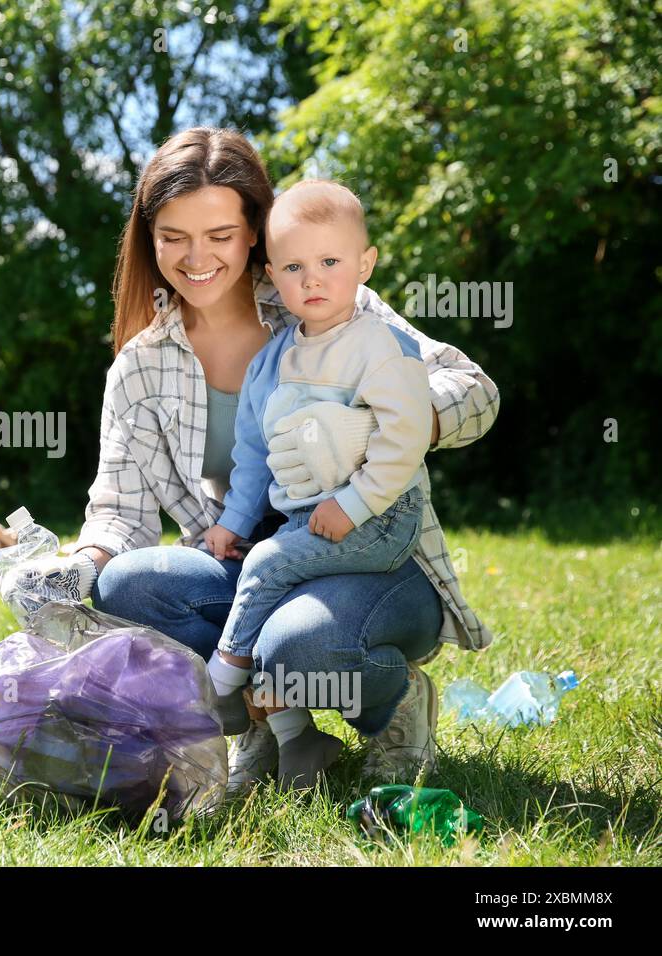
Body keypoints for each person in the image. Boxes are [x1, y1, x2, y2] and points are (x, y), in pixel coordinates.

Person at [3, 127, 497, 790]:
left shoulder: (320, 300)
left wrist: (378, 425)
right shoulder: (140, 368)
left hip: (368, 557)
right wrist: (72, 572)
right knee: (127, 587)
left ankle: (396, 701)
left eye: (219, 235)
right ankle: (276, 727)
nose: (195, 257)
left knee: (298, 645)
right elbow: (119, 516)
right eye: (173, 236)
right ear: (149, 239)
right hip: (246, 572)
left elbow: (474, 390)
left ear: (255, 233)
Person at [203, 179, 432, 790]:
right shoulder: (273, 360)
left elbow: (404, 439)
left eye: (331, 262)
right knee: (269, 581)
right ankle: (291, 737)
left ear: (365, 264)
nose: (313, 279)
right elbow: (255, 455)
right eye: (295, 266)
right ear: (273, 274)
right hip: (309, 518)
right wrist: (233, 520)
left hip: (379, 519)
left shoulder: (380, 347)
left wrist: (355, 502)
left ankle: (220, 685)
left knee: (266, 567)